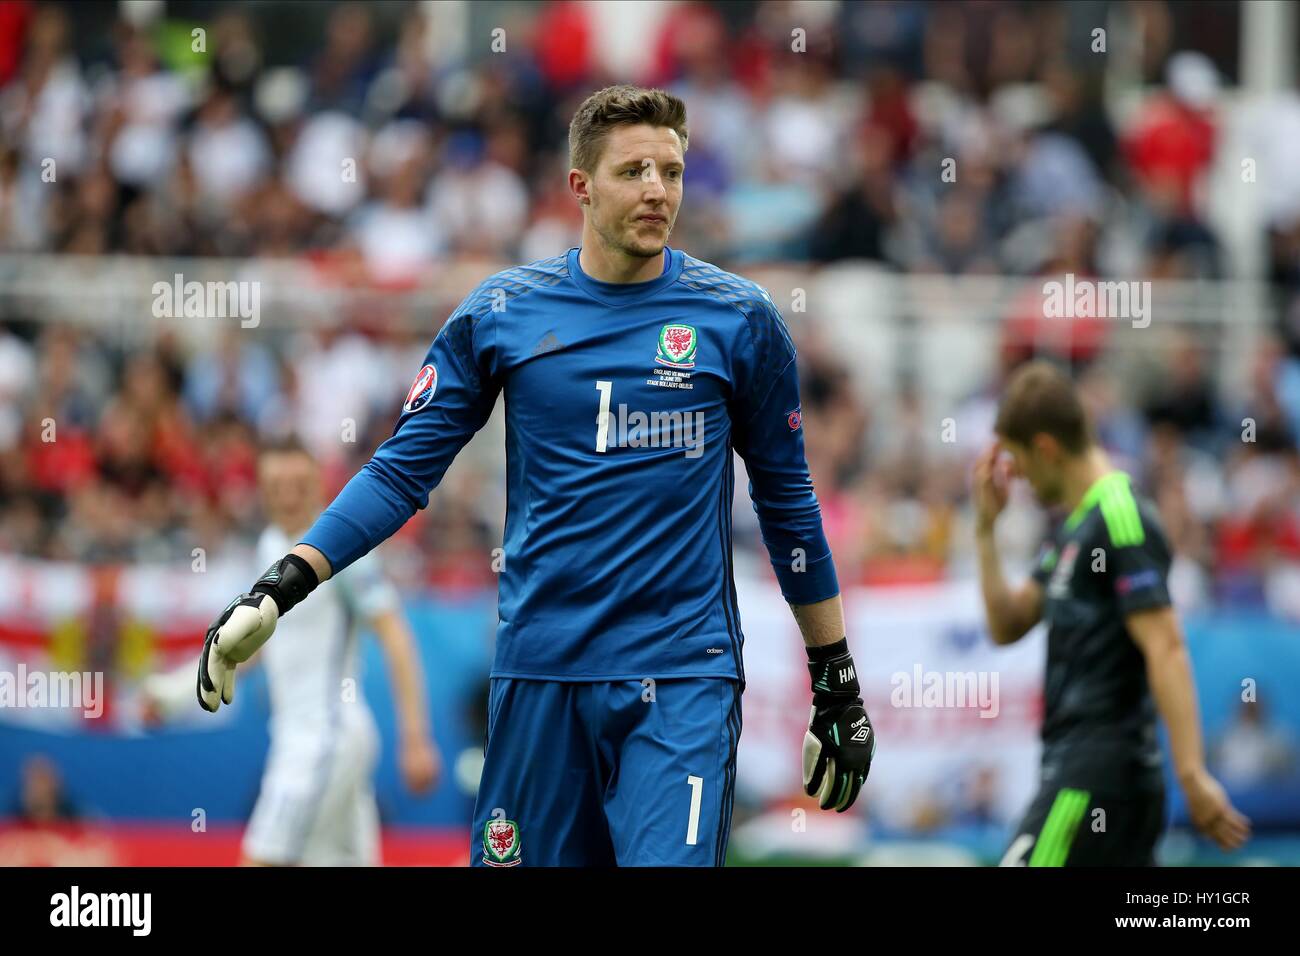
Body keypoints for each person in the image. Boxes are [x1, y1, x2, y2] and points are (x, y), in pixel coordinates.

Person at [194, 85, 875, 867]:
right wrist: (279, 586)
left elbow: (789, 506)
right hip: (540, 679)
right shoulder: (503, 313)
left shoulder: (740, 321)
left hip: (682, 679)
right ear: (580, 186)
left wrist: (837, 684)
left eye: (672, 170)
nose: (658, 189)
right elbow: (399, 473)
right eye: (634, 171)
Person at [972, 360, 1249, 865]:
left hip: (1096, 775)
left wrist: (1191, 772)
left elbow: (1165, 645)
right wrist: (986, 530)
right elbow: (1007, 623)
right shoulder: (1076, 529)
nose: (1022, 480)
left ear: (1046, 448)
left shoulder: (1120, 518)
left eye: (1019, 460)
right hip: (1094, 775)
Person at [149, 437, 439, 865]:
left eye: (297, 483)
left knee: (260, 861)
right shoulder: (269, 549)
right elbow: (254, 648)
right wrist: (174, 693)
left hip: (324, 738)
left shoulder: (343, 550)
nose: (287, 494)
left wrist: (415, 738)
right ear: (262, 489)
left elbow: (395, 634)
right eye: (276, 484)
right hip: (300, 738)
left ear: (317, 484)